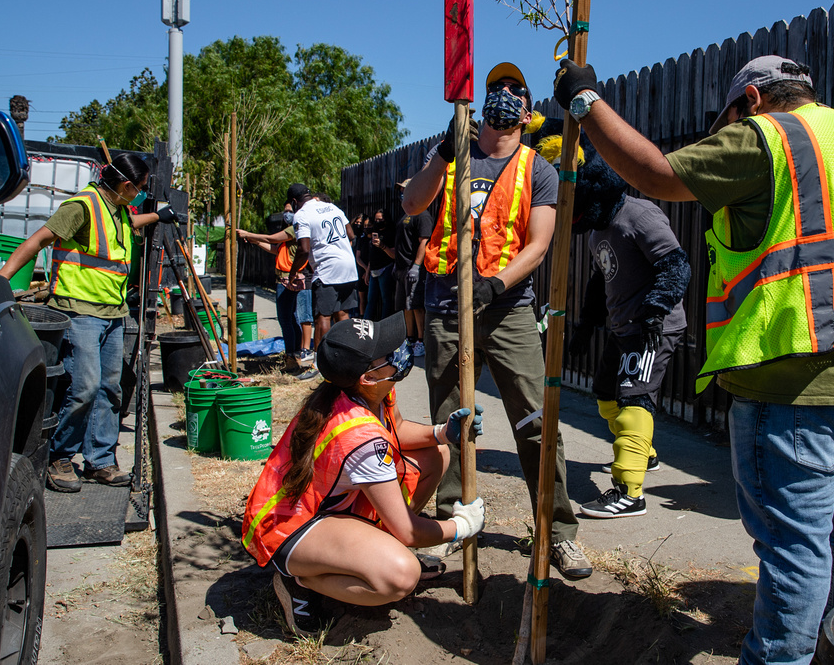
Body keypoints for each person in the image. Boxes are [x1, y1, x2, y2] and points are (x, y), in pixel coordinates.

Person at [554, 55, 834, 664]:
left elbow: (657, 173)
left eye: (730, 119)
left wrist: (585, 100)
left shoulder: (773, 137)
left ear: (754, 102)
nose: (726, 132)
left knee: (796, 554)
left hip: (792, 385)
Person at [403, 62, 592, 580]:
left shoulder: (539, 169)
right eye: (495, 89)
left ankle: (557, 533)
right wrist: (444, 152)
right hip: (446, 306)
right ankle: (449, 525)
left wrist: (496, 284)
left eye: (514, 91)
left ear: (528, 112)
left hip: (507, 309)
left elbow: (539, 243)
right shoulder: (451, 156)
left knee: (535, 421)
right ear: (480, 104)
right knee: (449, 422)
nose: (504, 96)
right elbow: (411, 202)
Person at [241, 312, 485, 634]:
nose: (400, 349)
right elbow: (410, 531)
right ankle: (301, 580)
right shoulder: (359, 436)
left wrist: (442, 433)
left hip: (328, 505)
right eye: (387, 352)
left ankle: (370, 553)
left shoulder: (370, 389)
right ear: (367, 376)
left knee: (436, 454)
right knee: (402, 576)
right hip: (287, 527)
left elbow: (395, 429)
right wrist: (460, 526)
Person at [530, 115, 690, 519]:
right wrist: (585, 327)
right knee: (605, 394)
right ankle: (645, 452)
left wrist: (656, 309)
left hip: (653, 327)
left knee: (634, 397)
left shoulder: (639, 215)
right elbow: (599, 284)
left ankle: (629, 490)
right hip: (622, 327)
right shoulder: (600, 231)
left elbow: (676, 264)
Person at [0, 153, 181, 492]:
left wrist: (158, 215)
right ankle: (59, 456)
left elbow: (129, 225)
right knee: (84, 388)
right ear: (126, 186)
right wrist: (3, 278)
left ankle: (100, 460)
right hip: (79, 311)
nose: (139, 195)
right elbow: (38, 239)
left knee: (110, 389)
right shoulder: (81, 206)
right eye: (139, 189)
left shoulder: (118, 208)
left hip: (112, 312)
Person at [236, 183, 315, 371]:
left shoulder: (296, 228)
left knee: (288, 318)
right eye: (285, 211)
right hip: (284, 277)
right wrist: (254, 241)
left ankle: (292, 354)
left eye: (290, 210)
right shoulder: (291, 230)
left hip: (292, 277)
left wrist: (249, 234)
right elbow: (274, 248)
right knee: (291, 317)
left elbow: (273, 239)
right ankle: (294, 353)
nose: (287, 214)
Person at [290, 190, 360, 380]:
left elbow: (303, 249)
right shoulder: (332, 207)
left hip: (327, 269)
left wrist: (292, 271)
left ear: (295, 201)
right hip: (348, 266)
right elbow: (351, 235)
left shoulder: (302, 214)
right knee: (343, 313)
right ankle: (348, 358)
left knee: (323, 316)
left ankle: (320, 365)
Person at [393, 179, 433, 358]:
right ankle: (409, 339)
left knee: (416, 306)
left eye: (404, 189)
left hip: (413, 269)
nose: (402, 193)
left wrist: (416, 266)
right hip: (401, 269)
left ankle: (421, 341)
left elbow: (424, 241)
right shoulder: (405, 215)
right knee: (405, 307)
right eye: (400, 190)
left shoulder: (422, 214)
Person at [364, 209, 396, 321]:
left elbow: (393, 255)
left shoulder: (391, 233)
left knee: (386, 299)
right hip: (373, 269)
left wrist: (382, 245)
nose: (378, 222)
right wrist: (367, 272)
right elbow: (371, 256)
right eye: (376, 219)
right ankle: (366, 321)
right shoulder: (374, 233)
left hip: (385, 268)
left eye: (380, 219)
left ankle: (384, 323)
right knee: (371, 299)